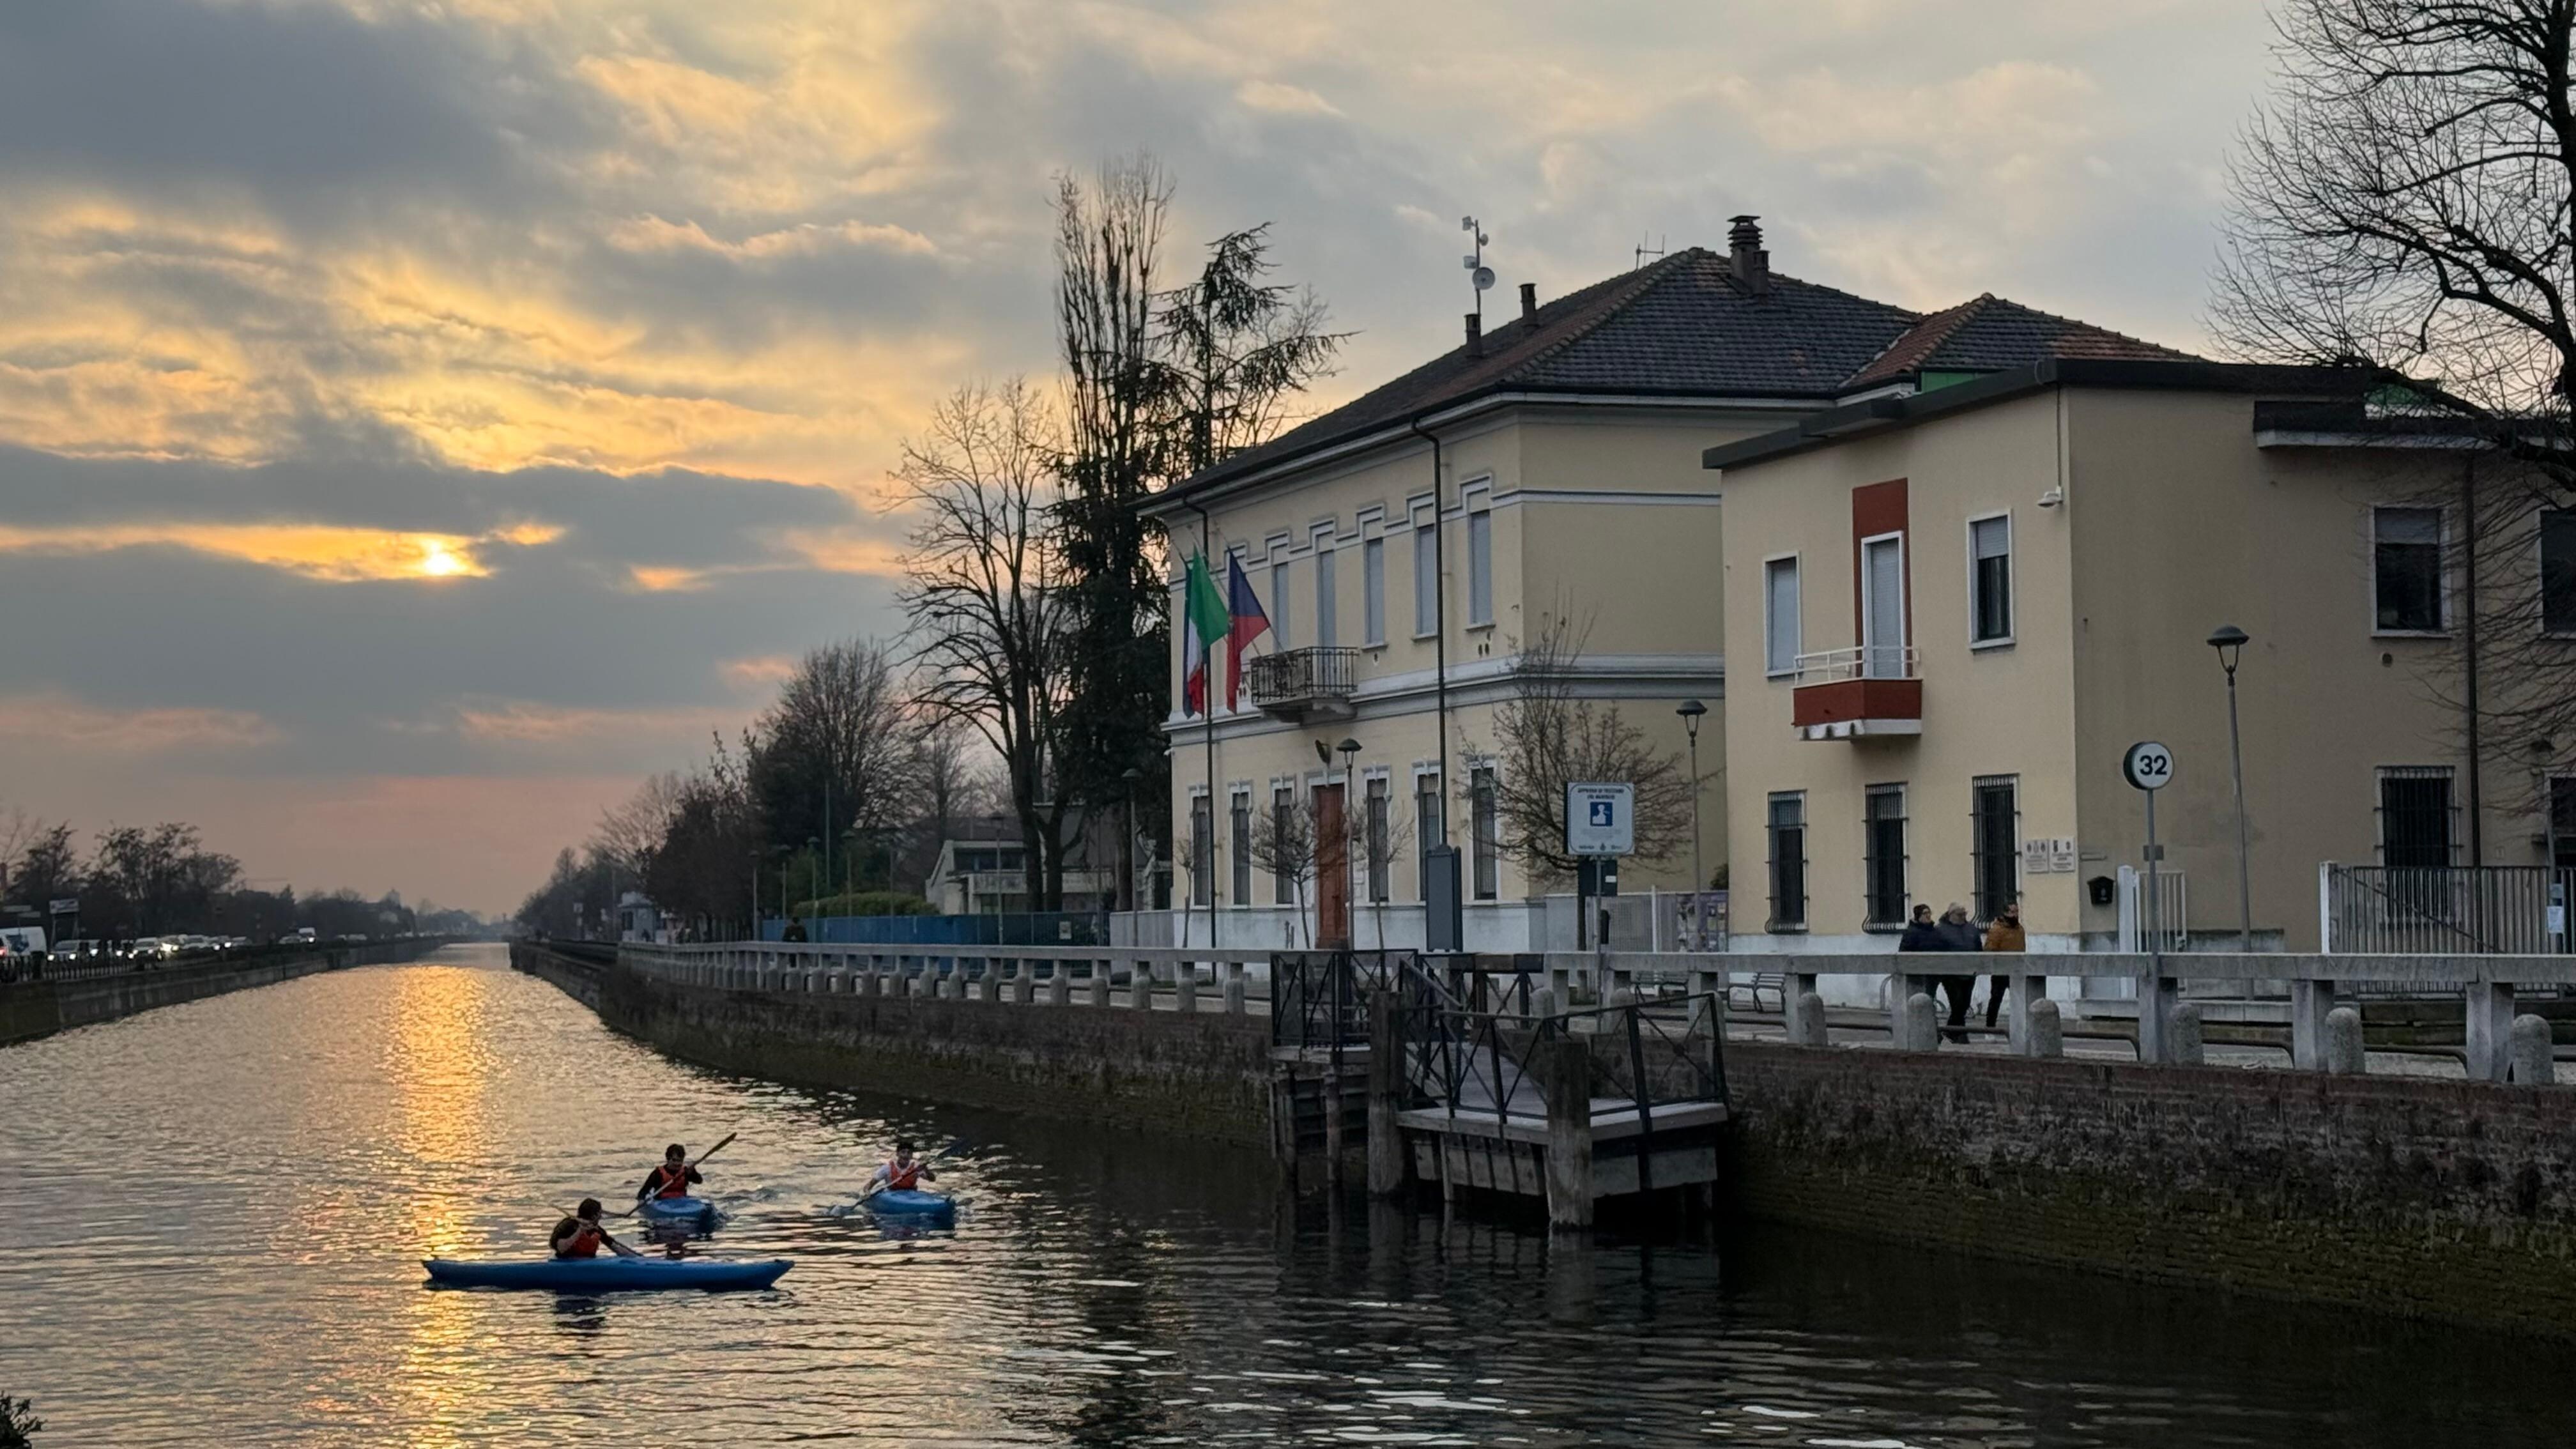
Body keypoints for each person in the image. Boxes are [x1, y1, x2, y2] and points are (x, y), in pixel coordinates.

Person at [1934, 903, 1982, 1042]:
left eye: (1964, 914)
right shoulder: (1940, 930)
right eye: (1960, 915)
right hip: (1950, 974)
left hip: (1969, 972)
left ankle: (1953, 1031)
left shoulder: (1971, 929)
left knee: (1964, 1004)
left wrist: (1979, 965)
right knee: (1957, 1003)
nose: (1963, 918)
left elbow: (1978, 947)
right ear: (1951, 915)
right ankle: (1958, 1033)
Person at [1982, 901, 2027, 1031]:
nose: (2015, 915)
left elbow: (2022, 948)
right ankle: (1990, 1028)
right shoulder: (1997, 930)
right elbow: (1989, 950)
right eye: (2012, 912)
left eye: (2017, 911)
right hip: (2000, 970)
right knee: (1996, 999)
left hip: (2017, 969)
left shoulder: (2020, 929)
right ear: (2006, 913)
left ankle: (2020, 1027)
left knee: (2020, 1000)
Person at [550, 1199, 625, 1259]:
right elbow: (560, 1249)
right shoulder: (569, 1225)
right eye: (599, 1214)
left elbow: (616, 1248)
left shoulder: (596, 1230)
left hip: (587, 1263)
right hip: (565, 1263)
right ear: (594, 1216)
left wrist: (635, 1259)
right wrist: (579, 1231)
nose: (601, 1217)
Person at [636, 1143, 703, 1202]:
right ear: (668, 1159)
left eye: (680, 1161)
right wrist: (642, 1201)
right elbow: (643, 1193)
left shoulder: (685, 1171)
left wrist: (693, 1173)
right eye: (674, 1160)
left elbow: (699, 1181)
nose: (677, 1163)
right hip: (662, 1204)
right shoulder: (658, 1173)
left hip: (682, 1203)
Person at [869, 1138, 938, 1193]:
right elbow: (869, 1186)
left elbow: (932, 1179)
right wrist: (867, 1193)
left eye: (909, 1153)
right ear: (897, 1154)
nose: (906, 1155)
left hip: (911, 1195)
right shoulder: (887, 1168)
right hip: (892, 1194)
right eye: (903, 1152)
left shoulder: (916, 1168)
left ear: (911, 1156)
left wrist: (926, 1169)